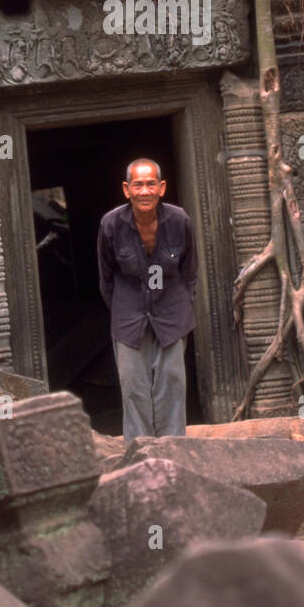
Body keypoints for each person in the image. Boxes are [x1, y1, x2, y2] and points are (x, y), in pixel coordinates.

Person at [97, 158, 197, 441]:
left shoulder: (179, 221)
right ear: (126, 190)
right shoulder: (111, 224)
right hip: (129, 316)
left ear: (161, 188)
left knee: (172, 385)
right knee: (133, 388)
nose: (145, 191)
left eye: (151, 184)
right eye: (138, 185)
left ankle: (173, 453)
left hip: (172, 314)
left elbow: (190, 272)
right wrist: (123, 309)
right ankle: (141, 457)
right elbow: (106, 279)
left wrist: (182, 307)